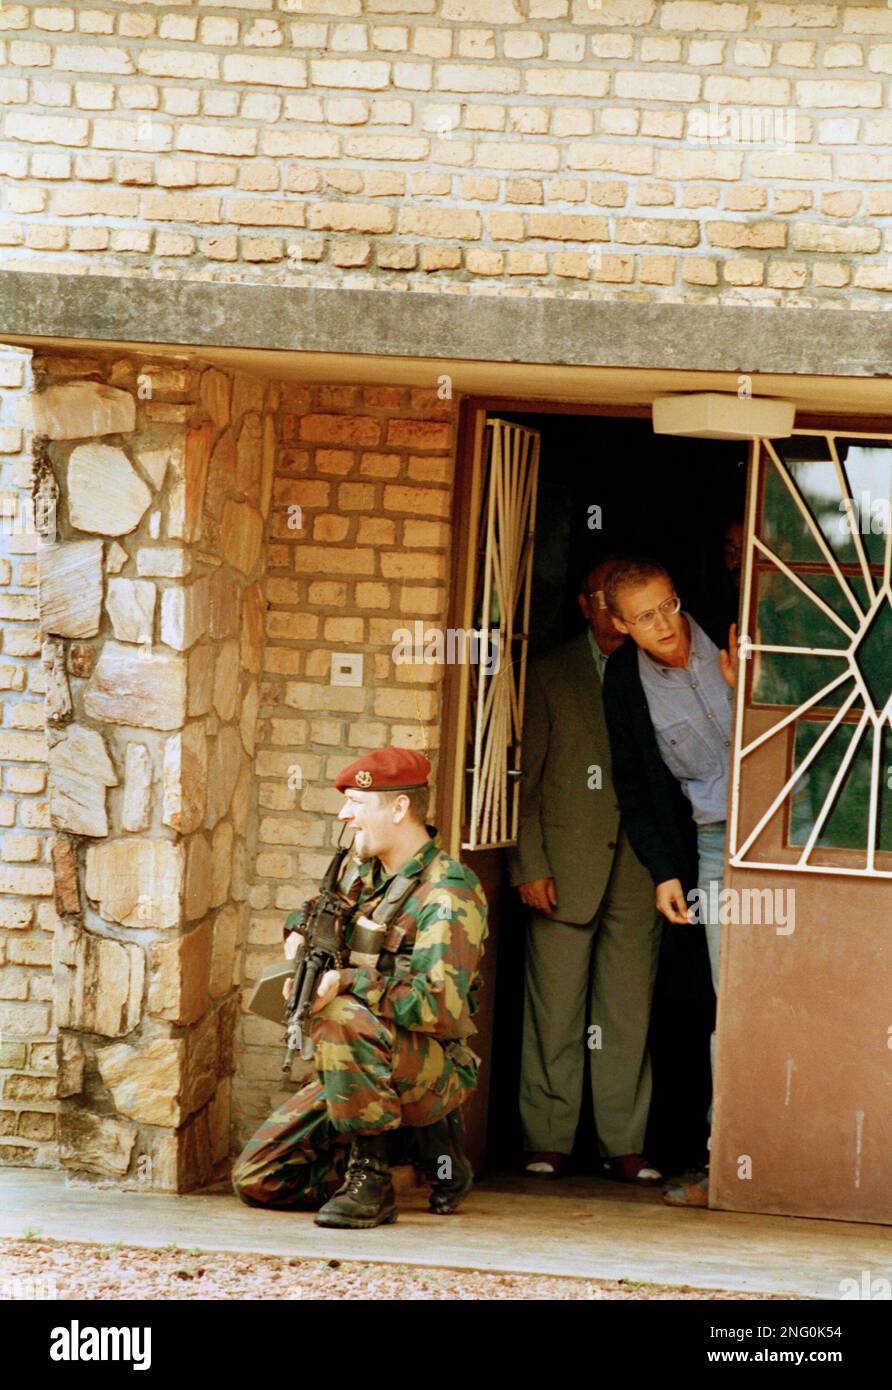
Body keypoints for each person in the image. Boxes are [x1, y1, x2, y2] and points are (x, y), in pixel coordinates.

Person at [232, 747, 489, 1229]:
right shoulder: (360, 869)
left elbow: (438, 1006)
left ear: (398, 809)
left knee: (341, 1015)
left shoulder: (449, 893)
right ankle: (418, 1152)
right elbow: (321, 910)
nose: (343, 813)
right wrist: (298, 932)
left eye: (357, 802)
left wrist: (349, 981)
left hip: (433, 1066)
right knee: (259, 1178)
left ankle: (371, 1180)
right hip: (361, 1064)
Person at [508, 557, 663, 1185]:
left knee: (627, 1011)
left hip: (639, 867)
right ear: (586, 604)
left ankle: (623, 1143)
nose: (616, 614)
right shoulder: (548, 673)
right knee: (555, 1011)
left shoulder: (660, 669)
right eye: (606, 599)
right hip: (563, 866)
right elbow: (524, 780)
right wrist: (529, 863)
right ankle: (547, 1140)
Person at [601, 557, 738, 1208]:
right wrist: (664, 871)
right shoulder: (625, 680)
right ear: (619, 626)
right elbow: (633, 783)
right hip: (712, 840)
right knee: (731, 999)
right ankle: (727, 1162)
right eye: (644, 616)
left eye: (667, 605)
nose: (663, 624)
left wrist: (752, 685)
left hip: (794, 835)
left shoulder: (731, 627)